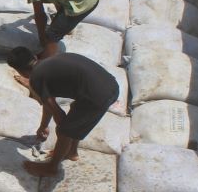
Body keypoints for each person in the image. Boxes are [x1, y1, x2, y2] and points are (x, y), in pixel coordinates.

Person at [6, 46, 119, 178]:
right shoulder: (51, 62)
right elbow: (50, 105)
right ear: (35, 57)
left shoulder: (36, 78)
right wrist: (44, 126)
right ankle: (71, 152)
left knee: (64, 130)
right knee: (75, 114)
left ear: (21, 71)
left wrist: (60, 130)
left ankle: (51, 168)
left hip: (96, 96)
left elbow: (58, 114)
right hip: (111, 87)